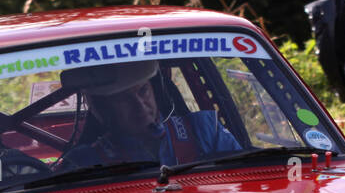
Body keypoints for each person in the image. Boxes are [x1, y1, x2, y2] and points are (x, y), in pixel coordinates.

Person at [59, 61, 240, 170]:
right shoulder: (81, 162)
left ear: (156, 90)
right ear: (102, 109)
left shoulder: (207, 128)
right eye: (123, 99)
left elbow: (243, 183)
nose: (139, 105)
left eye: (143, 91)